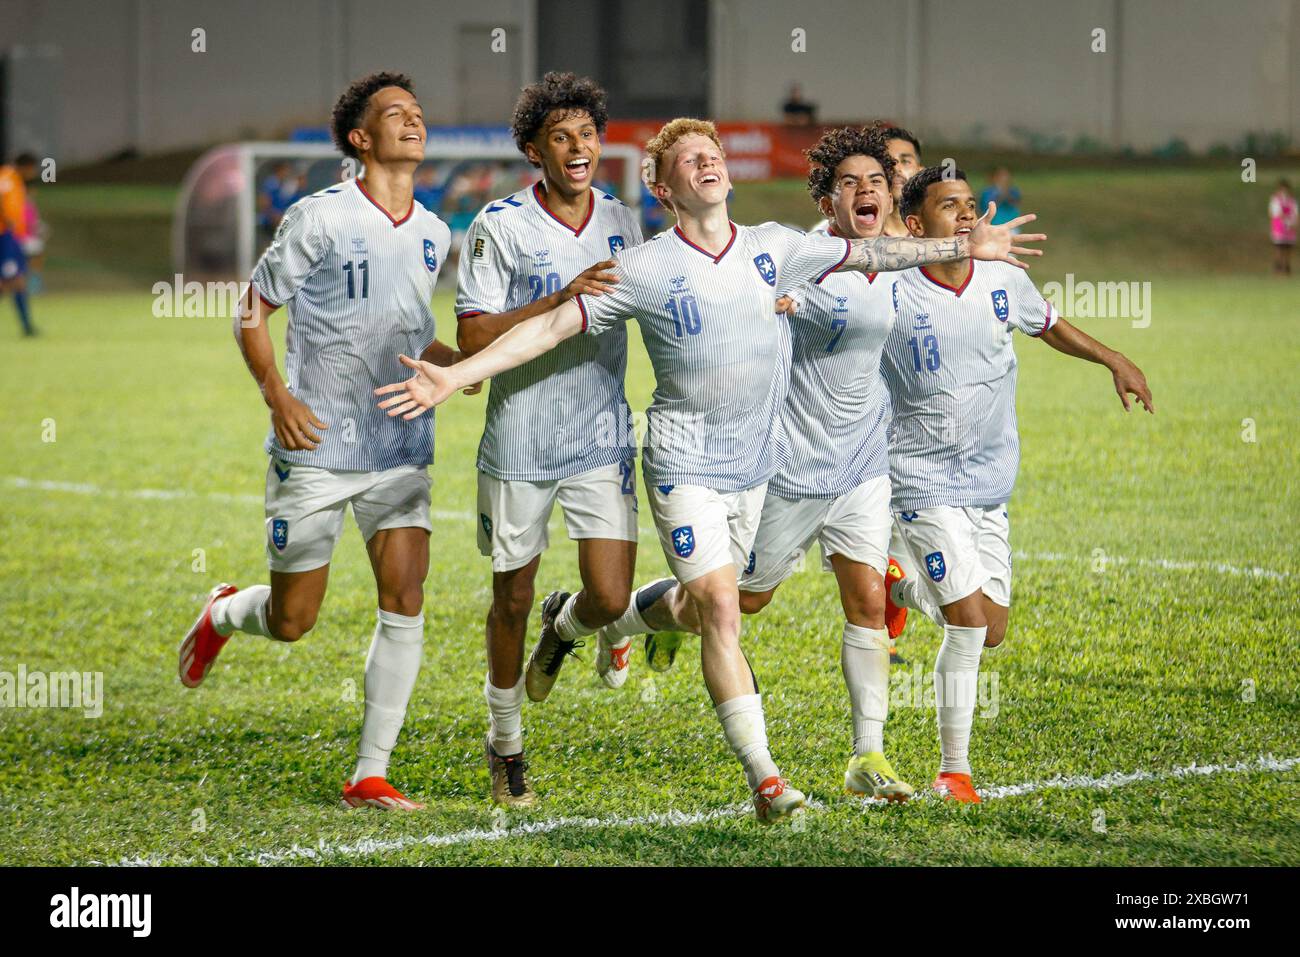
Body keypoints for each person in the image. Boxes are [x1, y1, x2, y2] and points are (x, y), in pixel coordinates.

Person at [375, 118, 1043, 822]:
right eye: (690, 159)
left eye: (714, 154)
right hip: (681, 464)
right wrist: (459, 376)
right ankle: (767, 781)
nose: (708, 163)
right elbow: (551, 327)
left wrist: (964, 246)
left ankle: (599, 624)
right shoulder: (643, 267)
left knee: (707, 607)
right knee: (725, 611)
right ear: (663, 187)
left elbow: (874, 251)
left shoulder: (774, 249)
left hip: (756, 471)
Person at [178, 72, 464, 811]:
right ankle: (223, 611)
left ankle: (370, 770)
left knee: (406, 596)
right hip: (316, 445)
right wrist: (277, 396)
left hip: (400, 444)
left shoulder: (435, 234)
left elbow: (411, 331)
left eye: (418, 112)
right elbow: (250, 309)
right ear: (360, 139)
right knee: (294, 619)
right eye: (394, 114)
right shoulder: (320, 217)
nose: (413, 121)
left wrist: (459, 367)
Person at [880, 165, 1153, 803]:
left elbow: (1049, 323)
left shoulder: (1004, 280)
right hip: (920, 481)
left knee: (991, 626)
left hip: (989, 486)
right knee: (969, 622)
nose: (967, 215)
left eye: (970, 205)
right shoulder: (891, 289)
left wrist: (1113, 357)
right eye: (950, 207)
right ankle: (954, 772)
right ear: (917, 225)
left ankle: (903, 590)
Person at [453, 71, 641, 806]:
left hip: (601, 433)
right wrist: (558, 297)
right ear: (535, 148)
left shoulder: (624, 220)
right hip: (522, 436)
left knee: (610, 591)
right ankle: (505, 745)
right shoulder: (499, 225)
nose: (577, 147)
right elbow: (471, 333)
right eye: (560, 136)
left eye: (587, 133)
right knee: (510, 597)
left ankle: (564, 628)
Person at [737, 125, 915, 800]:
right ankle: (637, 617)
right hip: (794, 468)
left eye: (876, 180)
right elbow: (751, 288)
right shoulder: (806, 257)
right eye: (849, 183)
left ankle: (867, 758)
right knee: (743, 601)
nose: (865, 190)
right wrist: (775, 305)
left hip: (862, 464)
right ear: (827, 201)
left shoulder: (900, 259)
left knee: (868, 600)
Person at [0, 152, 39, 336]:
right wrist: (7, 218)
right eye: (33, 170)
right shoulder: (6, 176)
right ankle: (27, 326)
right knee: (11, 280)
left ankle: (27, 326)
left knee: (19, 280)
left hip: (13, 236)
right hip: (3, 235)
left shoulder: (16, 180)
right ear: (27, 167)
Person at [1269, 179, 1297, 275]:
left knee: (1288, 248)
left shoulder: (1292, 201)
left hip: (1290, 227)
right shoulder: (1275, 200)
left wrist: (1293, 223)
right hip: (1279, 227)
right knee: (1279, 248)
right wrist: (1285, 220)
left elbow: (1296, 213)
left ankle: (1286, 268)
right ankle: (1278, 267)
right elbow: (1275, 213)